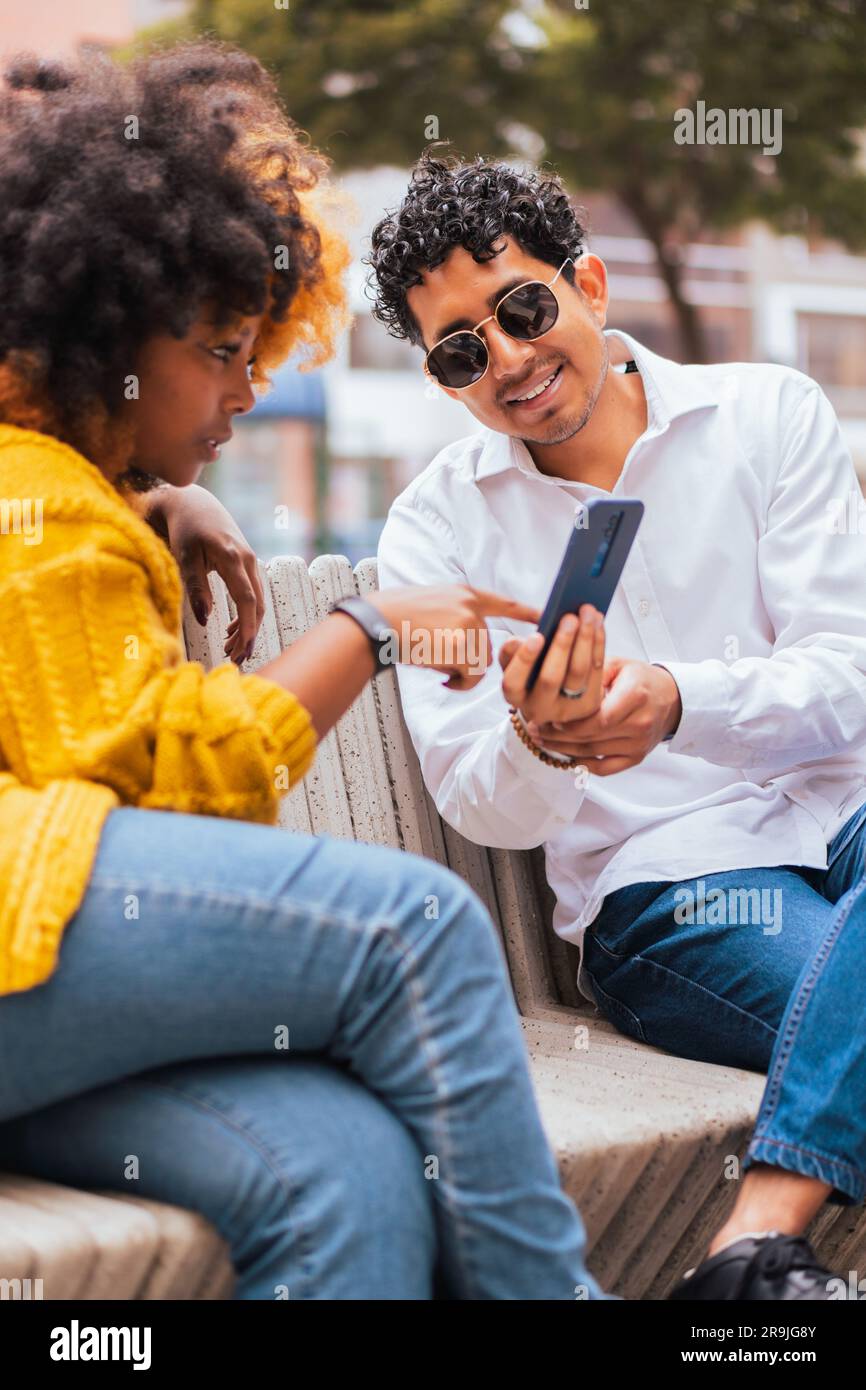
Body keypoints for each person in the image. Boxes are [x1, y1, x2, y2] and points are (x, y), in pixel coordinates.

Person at [0, 41, 615, 1301]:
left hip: (38, 1006)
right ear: (106, 328)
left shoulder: (63, 495)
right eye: (223, 348)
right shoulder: (37, 511)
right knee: (418, 923)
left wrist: (151, 488)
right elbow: (182, 782)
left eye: (255, 346)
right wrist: (372, 624)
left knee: (338, 1173)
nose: (248, 387)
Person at [371, 150, 866, 1300]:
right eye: (459, 350)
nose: (505, 360)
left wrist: (678, 700)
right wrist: (540, 739)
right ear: (443, 380)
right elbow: (471, 795)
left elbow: (849, 671)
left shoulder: (767, 415)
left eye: (521, 307)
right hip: (667, 890)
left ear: (587, 285)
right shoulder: (433, 532)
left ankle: (751, 1244)